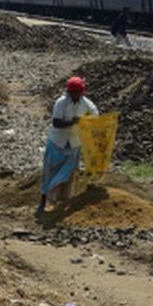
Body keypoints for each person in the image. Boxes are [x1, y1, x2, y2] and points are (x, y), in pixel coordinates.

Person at [38, 76, 99, 217]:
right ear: (69, 92)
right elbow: (56, 122)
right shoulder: (61, 103)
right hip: (58, 141)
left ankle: (64, 202)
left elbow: (95, 116)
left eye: (79, 92)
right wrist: (72, 122)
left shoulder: (86, 104)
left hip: (74, 143)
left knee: (70, 175)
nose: (77, 95)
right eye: (74, 92)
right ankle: (42, 202)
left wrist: (87, 122)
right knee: (49, 172)